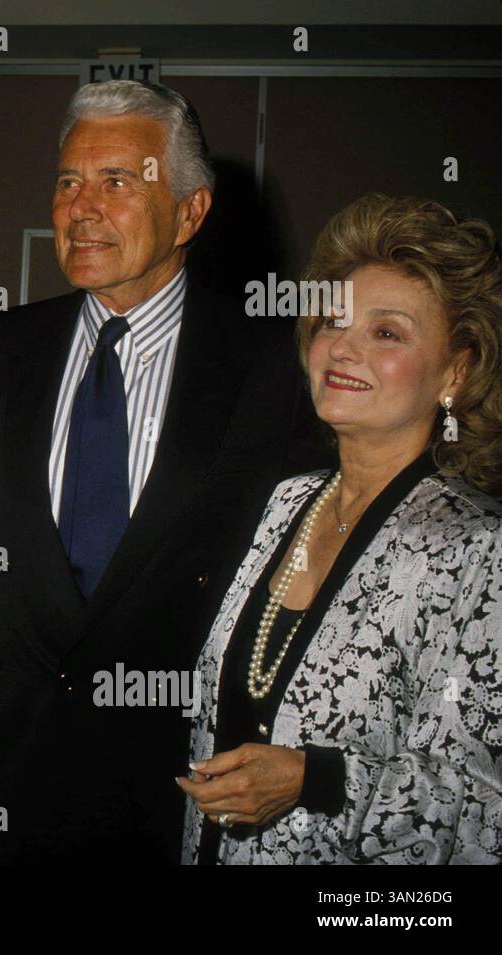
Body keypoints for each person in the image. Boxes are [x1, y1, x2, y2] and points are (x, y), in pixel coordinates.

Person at [0, 79, 309, 864]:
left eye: (118, 181)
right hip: (0, 792)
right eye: (69, 181)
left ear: (191, 211)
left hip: (176, 802)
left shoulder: (272, 369)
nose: (82, 207)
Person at [178, 194, 502, 864]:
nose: (343, 346)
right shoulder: (286, 502)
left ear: (456, 370)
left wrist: (314, 778)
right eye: (335, 321)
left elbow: (479, 804)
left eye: (388, 333)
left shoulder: (479, 549)